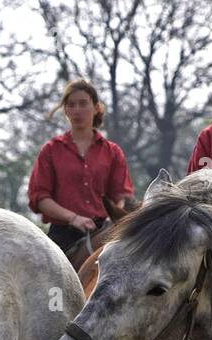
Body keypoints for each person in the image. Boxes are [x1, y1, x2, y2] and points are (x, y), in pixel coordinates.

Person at [28, 78, 133, 257]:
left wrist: (111, 218)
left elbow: (121, 196)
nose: (77, 110)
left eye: (83, 104)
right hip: (62, 235)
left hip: (104, 231)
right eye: (71, 105)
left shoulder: (113, 152)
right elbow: (40, 198)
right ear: (66, 111)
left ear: (96, 107)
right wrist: (73, 218)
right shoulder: (51, 150)